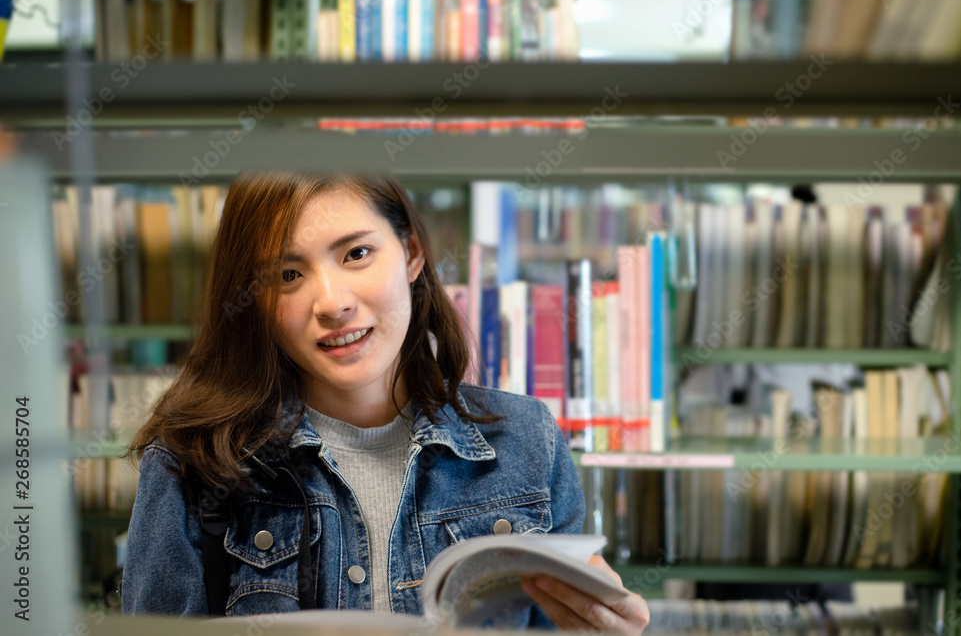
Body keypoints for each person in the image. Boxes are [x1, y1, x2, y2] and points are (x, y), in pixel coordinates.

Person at [120, 170, 649, 633]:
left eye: (357, 254)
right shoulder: (190, 463)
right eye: (288, 275)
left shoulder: (526, 441)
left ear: (412, 253)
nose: (333, 304)